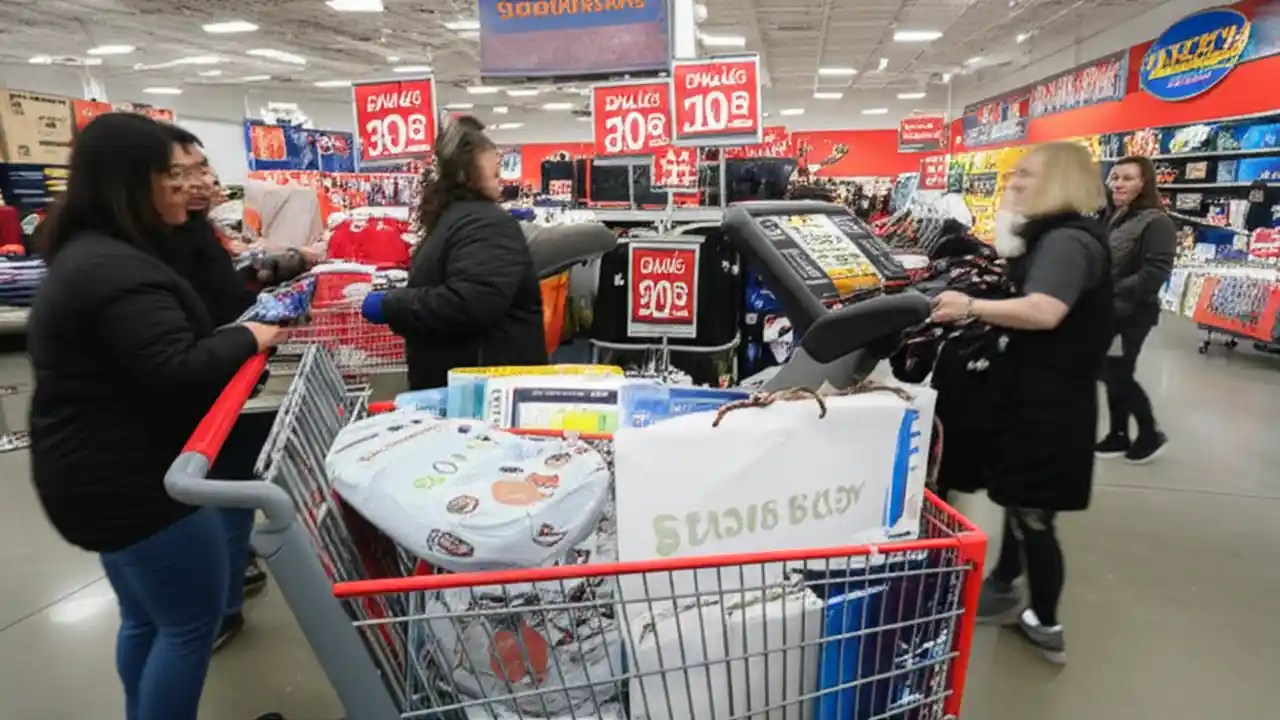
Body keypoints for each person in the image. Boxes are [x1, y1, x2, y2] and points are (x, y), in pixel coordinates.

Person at [27, 112, 283, 720]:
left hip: (91, 477)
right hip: (140, 485)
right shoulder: (117, 271)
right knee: (188, 626)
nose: (188, 187)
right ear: (129, 183)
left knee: (147, 618)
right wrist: (251, 335)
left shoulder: (90, 255)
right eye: (171, 175)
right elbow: (178, 365)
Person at [929, 142, 1112, 665]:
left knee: (1034, 512)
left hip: (1050, 406)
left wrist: (972, 306)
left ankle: (1045, 621)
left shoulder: (1066, 242)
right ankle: (1006, 580)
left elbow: (1045, 310)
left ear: (1057, 179)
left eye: (1028, 175)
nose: (1015, 182)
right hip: (1040, 395)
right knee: (1019, 495)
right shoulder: (1061, 237)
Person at [361, 116, 546, 389]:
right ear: (466, 172)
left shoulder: (484, 223)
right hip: (476, 389)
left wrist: (391, 304)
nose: (502, 177)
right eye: (495, 171)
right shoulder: (468, 220)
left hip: (485, 394)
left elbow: (470, 303)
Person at [1094, 156, 1176, 463]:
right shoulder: (1115, 216)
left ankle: (1149, 432)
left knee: (1117, 372)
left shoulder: (1158, 223)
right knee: (1112, 370)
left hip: (1131, 315)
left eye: (1127, 178)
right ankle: (1118, 434)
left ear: (1145, 183)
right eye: (1115, 177)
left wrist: (1110, 290)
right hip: (1110, 311)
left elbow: (1154, 273)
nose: (1117, 183)